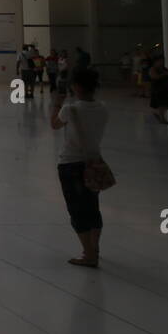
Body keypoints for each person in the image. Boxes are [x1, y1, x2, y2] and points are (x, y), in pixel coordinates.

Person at [50, 68, 107, 267]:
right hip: (94, 162)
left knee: (77, 209)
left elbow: (54, 125)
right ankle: (95, 247)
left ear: (76, 86)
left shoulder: (70, 109)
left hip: (70, 164)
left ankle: (88, 254)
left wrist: (57, 102)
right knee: (93, 207)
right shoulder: (103, 108)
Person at [148, 56, 168, 124]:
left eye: (162, 61)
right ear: (155, 62)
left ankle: (161, 116)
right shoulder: (152, 69)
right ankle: (161, 118)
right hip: (157, 89)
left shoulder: (164, 69)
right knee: (160, 104)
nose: (161, 62)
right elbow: (154, 77)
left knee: (165, 104)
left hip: (165, 89)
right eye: (160, 61)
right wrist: (164, 74)